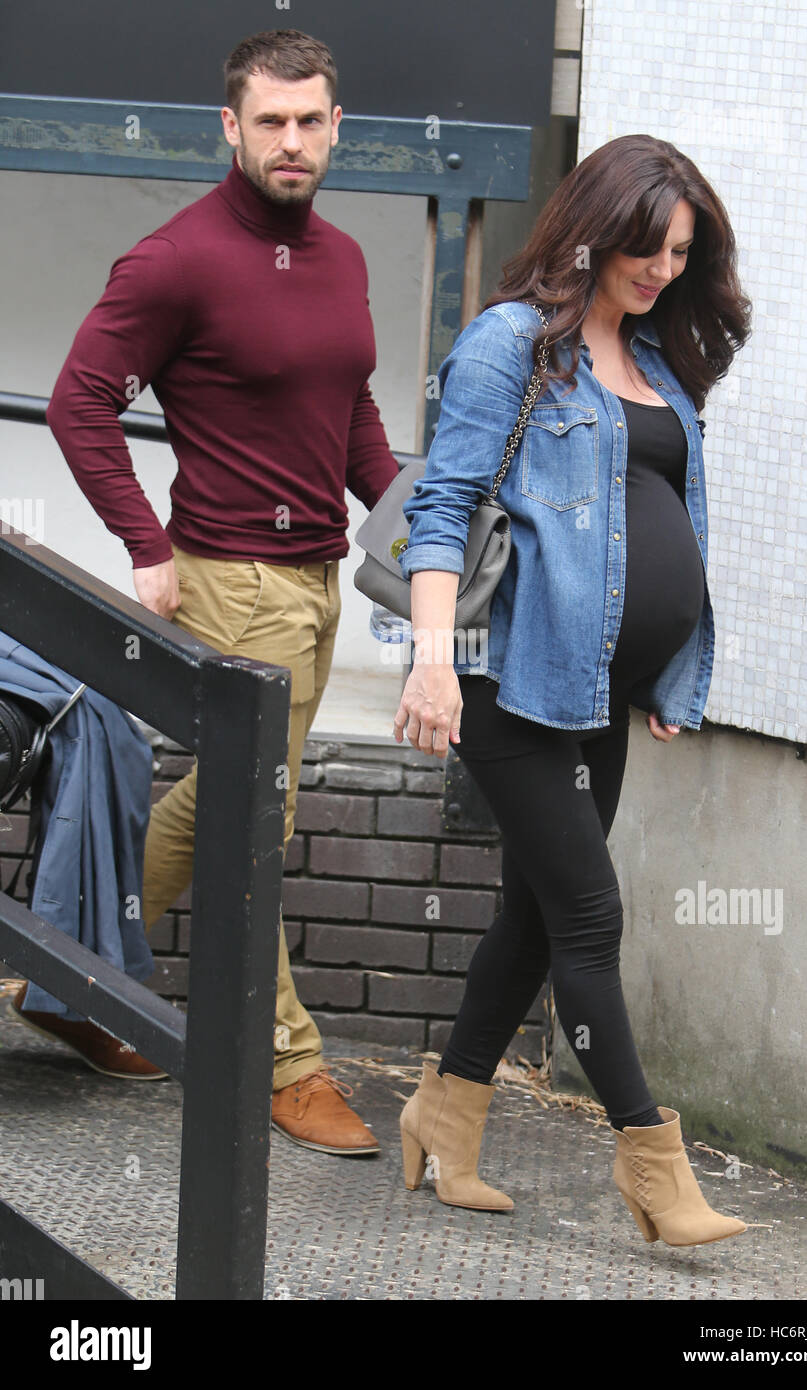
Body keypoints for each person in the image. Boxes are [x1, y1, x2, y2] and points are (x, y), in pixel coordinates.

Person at [42, 29, 398, 1153]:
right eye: (270, 120)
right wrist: (145, 546)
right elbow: (79, 400)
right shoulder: (177, 258)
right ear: (231, 127)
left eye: (311, 121)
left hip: (320, 581)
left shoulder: (340, 258)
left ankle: (59, 957)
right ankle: (287, 1063)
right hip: (234, 586)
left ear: (337, 127)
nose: (291, 141)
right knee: (258, 820)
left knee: (221, 809)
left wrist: (417, 525)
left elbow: (350, 415)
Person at [393, 134, 753, 1244]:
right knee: (590, 912)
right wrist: (430, 656)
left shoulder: (651, 357)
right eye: (647, 247)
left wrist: (658, 664)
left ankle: (442, 1119)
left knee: (537, 916)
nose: (661, 269)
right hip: (510, 683)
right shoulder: (512, 343)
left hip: (600, 687)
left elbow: (651, 523)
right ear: (594, 227)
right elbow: (442, 502)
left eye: (682, 252)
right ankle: (650, 1164)